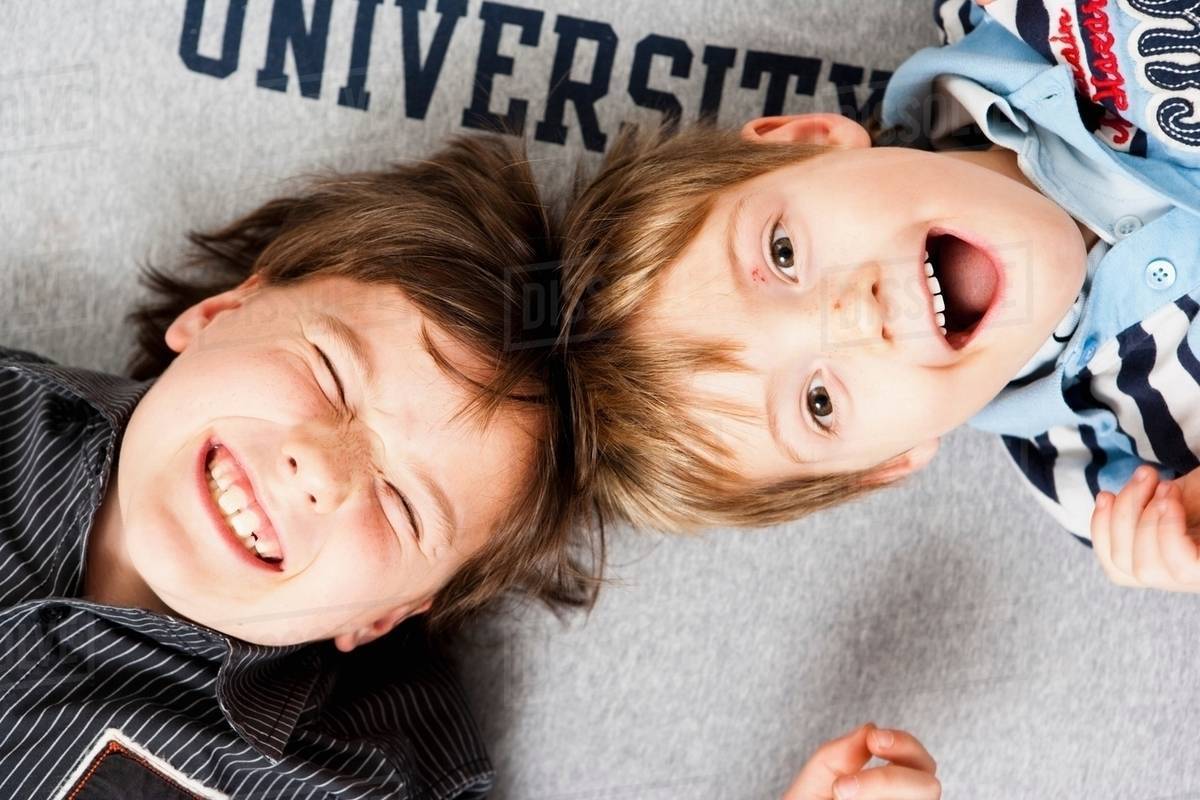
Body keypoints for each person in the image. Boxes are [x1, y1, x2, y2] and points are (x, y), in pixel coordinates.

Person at [0, 134, 597, 798]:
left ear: (386, 615)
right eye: (331, 376)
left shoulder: (355, 782)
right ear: (216, 314)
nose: (318, 471)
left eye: (401, 503)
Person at [556, 0, 1200, 592]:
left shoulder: (1030, 17)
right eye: (818, 402)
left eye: (783, 254)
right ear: (888, 461)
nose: (855, 317)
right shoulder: (1123, 486)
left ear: (809, 143)